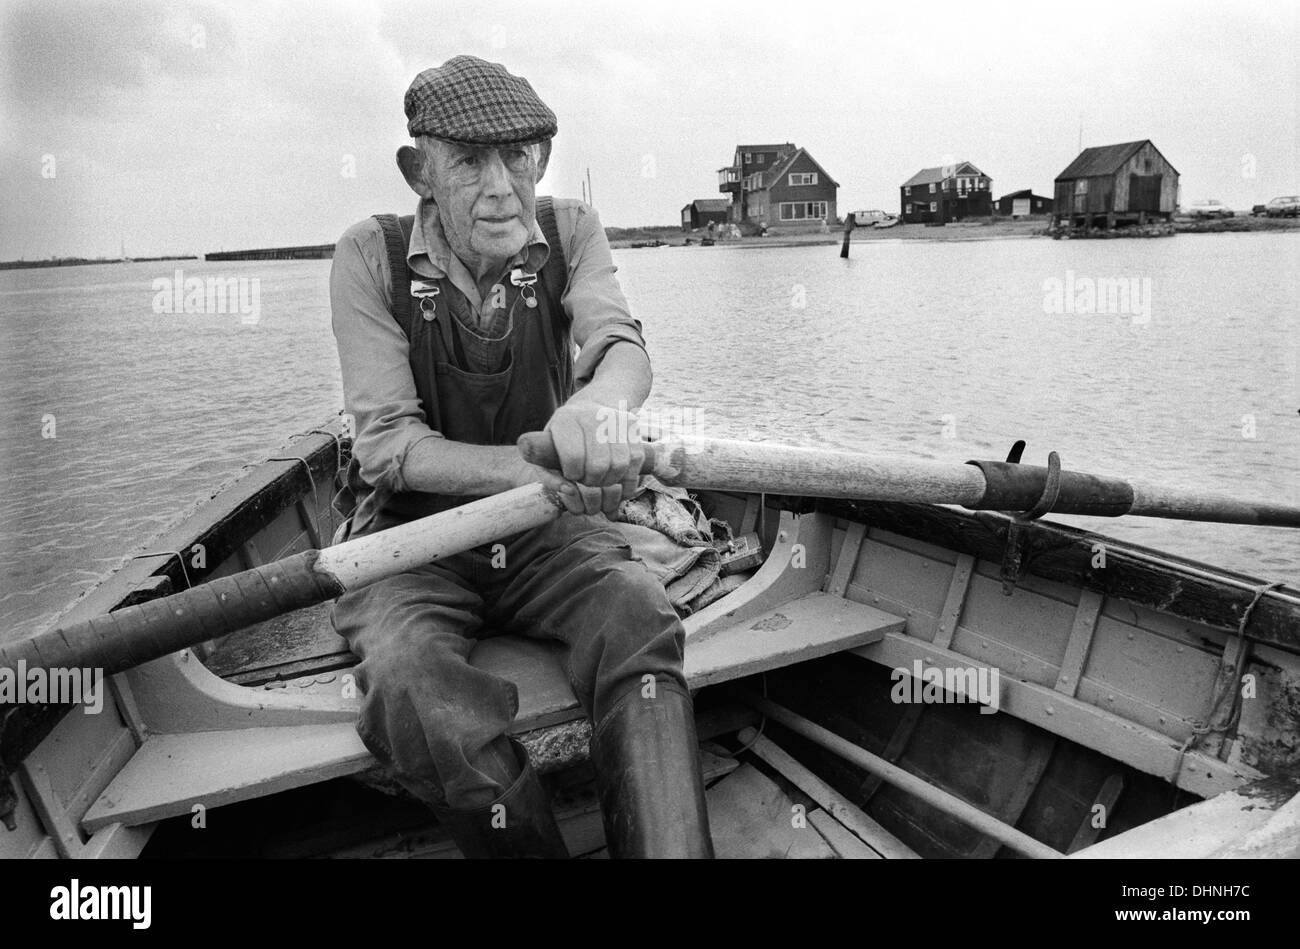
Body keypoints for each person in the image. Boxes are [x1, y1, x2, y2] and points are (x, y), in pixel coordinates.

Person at [327, 55, 713, 859]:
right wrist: (542, 469)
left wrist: (596, 412)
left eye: (523, 156)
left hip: (549, 530)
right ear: (419, 172)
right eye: (469, 160)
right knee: (410, 686)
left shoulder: (571, 231)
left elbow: (618, 347)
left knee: (640, 620)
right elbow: (391, 448)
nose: (503, 185)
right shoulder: (368, 255)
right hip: (416, 543)